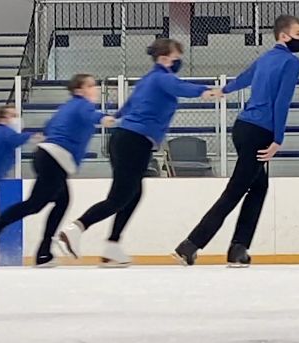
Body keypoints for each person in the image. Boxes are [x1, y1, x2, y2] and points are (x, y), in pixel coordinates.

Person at [56, 39, 220, 267]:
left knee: (133, 194)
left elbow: (127, 107)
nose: (178, 61)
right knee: (120, 198)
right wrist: (206, 91)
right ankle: (77, 228)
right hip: (134, 141)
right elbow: (180, 87)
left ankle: (112, 246)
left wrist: (116, 118)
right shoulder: (162, 78)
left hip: (125, 139)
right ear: (164, 58)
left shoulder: (148, 80)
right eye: (176, 57)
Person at [173, 15, 299, 268]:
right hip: (260, 130)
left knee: (258, 186)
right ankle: (190, 245)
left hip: (243, 128)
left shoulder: (267, 57)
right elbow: (282, 101)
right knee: (236, 190)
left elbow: (245, 77)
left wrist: (224, 90)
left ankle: (238, 248)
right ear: (284, 36)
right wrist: (278, 138)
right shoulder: (291, 62)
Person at [0, 75, 115, 267]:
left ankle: (44, 252)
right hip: (54, 159)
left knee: (60, 201)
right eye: (90, 85)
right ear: (79, 91)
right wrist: (104, 117)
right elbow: (90, 115)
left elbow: (48, 127)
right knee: (35, 204)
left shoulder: (66, 108)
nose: (95, 88)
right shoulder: (82, 105)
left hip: (48, 157)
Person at [0, 105, 43, 260]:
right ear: (0, 119)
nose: (16, 118)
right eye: (12, 115)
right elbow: (15, 139)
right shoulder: (3, 132)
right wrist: (33, 135)